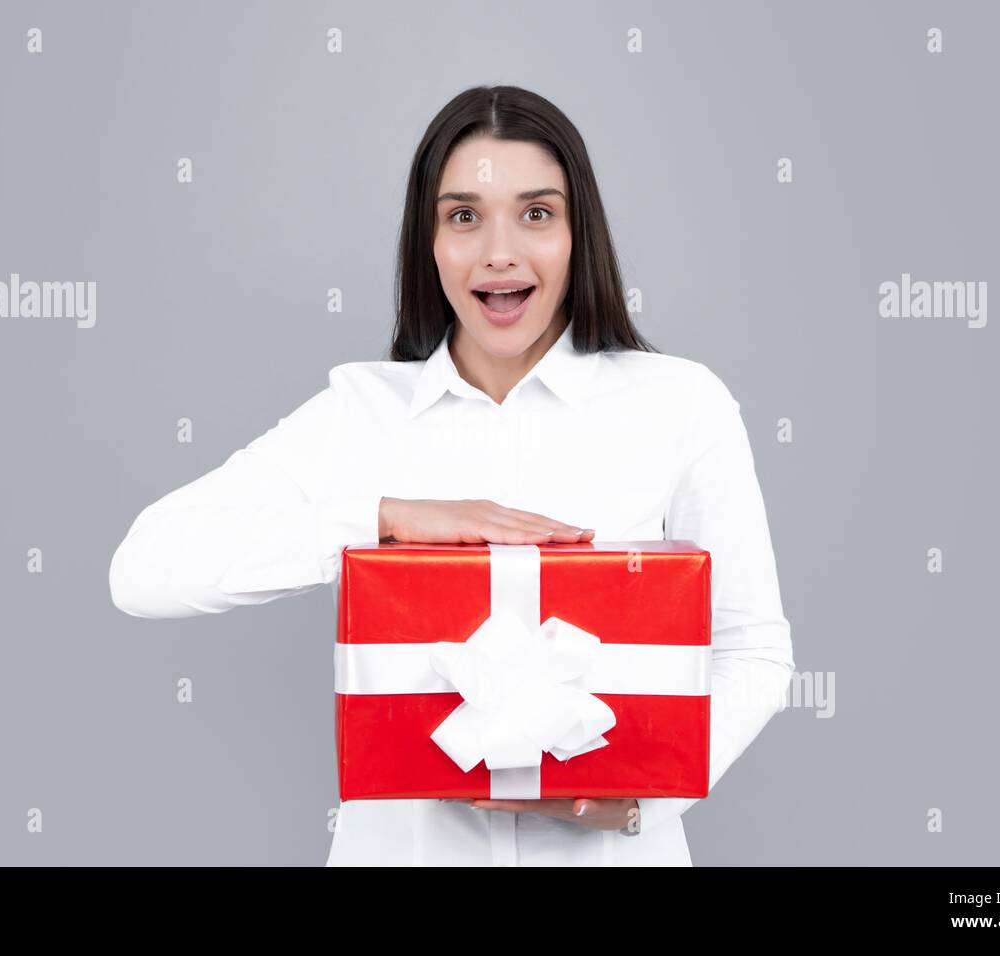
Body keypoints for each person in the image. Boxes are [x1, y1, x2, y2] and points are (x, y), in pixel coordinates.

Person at [108, 85, 794, 866]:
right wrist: (385, 518)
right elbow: (142, 570)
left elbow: (754, 650)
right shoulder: (360, 413)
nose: (499, 252)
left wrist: (644, 803)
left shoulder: (678, 404)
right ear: (428, 242)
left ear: (578, 236)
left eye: (536, 213)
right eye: (464, 216)